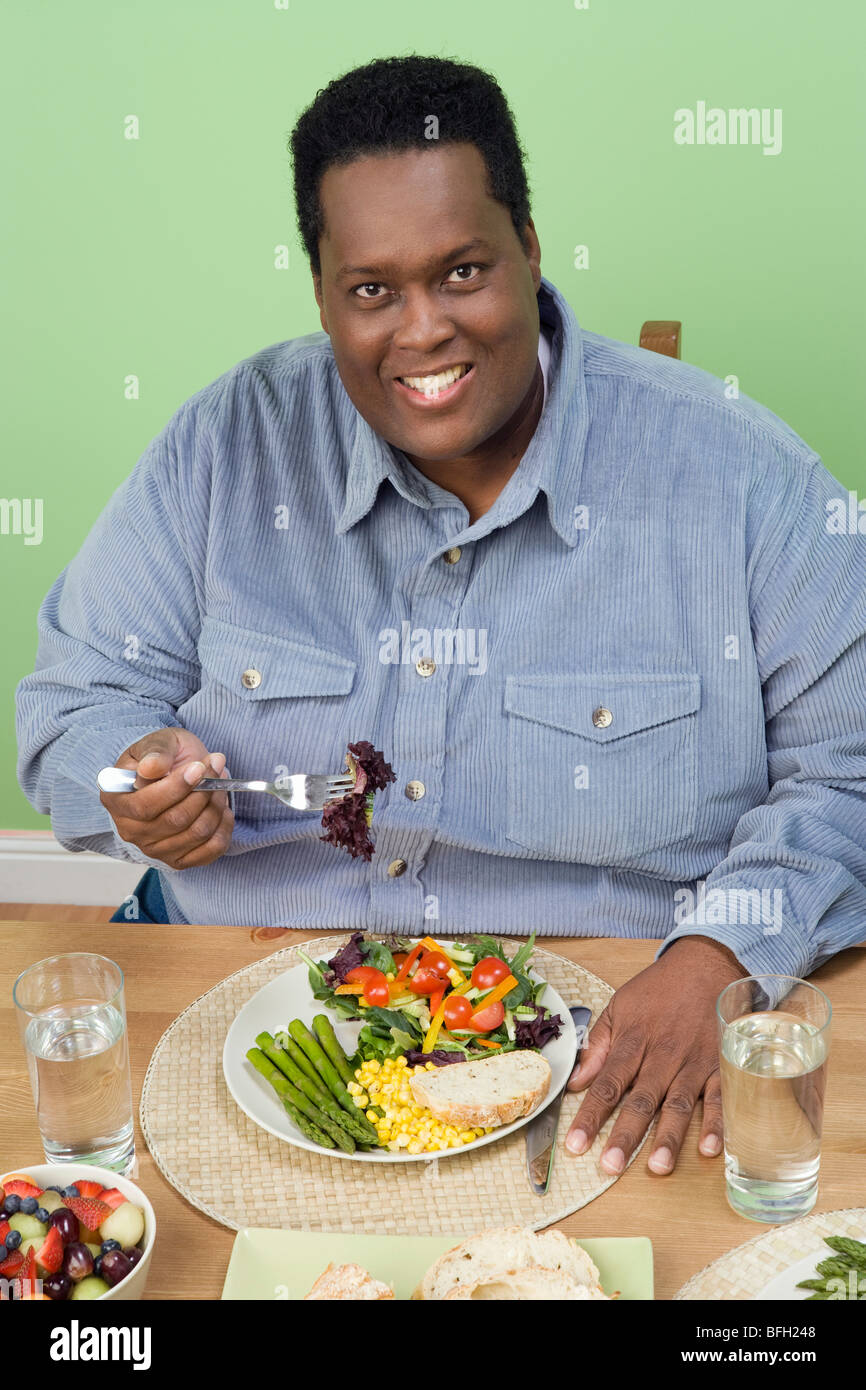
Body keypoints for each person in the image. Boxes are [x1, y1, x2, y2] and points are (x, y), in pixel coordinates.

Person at [15, 56, 866, 1181]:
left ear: (528, 246)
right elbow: (72, 706)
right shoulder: (225, 447)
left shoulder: (740, 476)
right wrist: (128, 780)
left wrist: (717, 953)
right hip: (238, 994)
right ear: (321, 292)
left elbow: (846, 769)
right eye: (371, 290)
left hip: (617, 1016)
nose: (423, 333)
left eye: (462, 271)